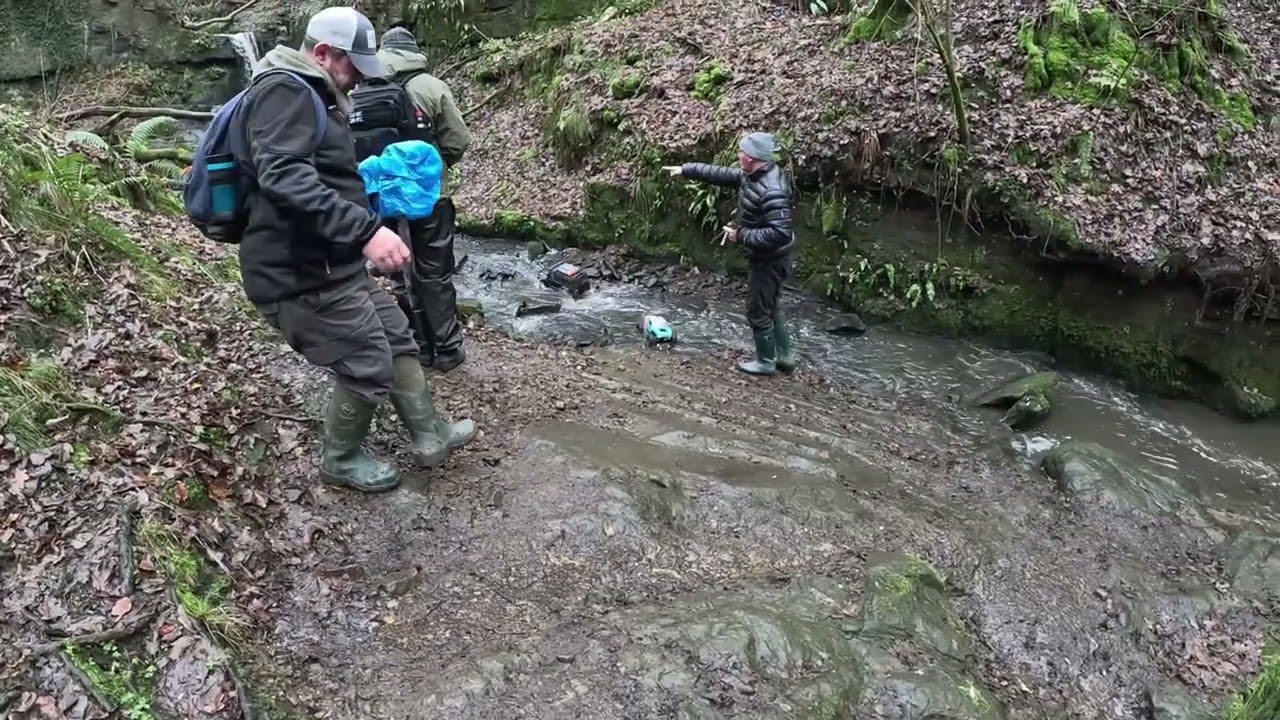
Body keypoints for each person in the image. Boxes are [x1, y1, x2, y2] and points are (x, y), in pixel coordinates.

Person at [236, 6, 476, 494]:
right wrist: (367, 231)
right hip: (297, 274)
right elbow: (283, 177)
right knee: (367, 362)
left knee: (396, 334)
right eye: (353, 68)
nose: (357, 81)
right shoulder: (285, 90)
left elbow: (314, 173)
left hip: (331, 264)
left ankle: (430, 435)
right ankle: (340, 458)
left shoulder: (315, 93)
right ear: (323, 53)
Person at [367, 25, 472, 373]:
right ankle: (446, 351)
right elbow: (458, 139)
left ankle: (415, 344)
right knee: (435, 273)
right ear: (414, 52)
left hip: (382, 198)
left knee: (399, 271)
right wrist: (437, 168)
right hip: (429, 199)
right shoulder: (430, 86)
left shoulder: (361, 85)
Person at [662, 132, 798, 375]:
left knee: (757, 310)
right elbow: (722, 175)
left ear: (753, 158)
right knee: (771, 306)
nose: (738, 155)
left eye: (742, 152)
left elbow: (780, 233)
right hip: (769, 257)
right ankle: (785, 357)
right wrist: (687, 169)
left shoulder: (772, 190)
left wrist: (742, 236)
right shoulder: (754, 175)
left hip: (771, 260)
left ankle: (766, 362)